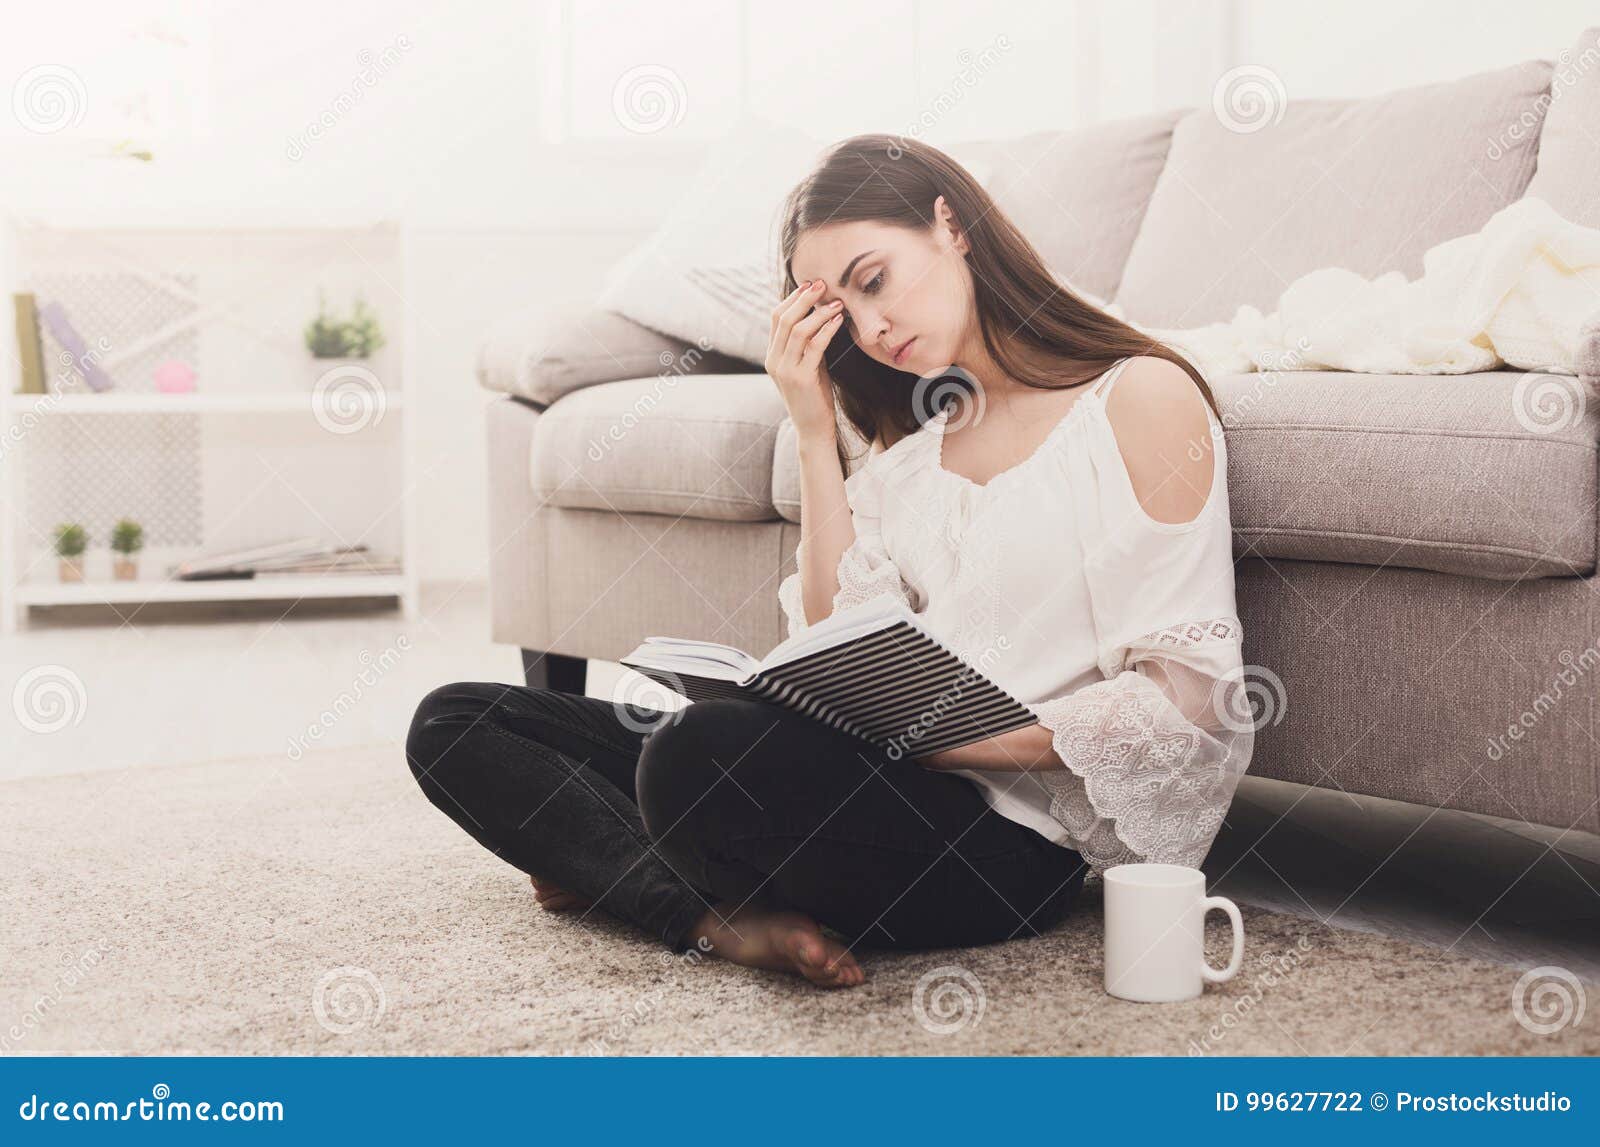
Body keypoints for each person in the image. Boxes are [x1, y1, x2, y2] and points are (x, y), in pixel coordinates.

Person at [406, 134, 1255, 990]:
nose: (872, 327)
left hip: (1007, 850)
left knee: (693, 760)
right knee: (457, 723)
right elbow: (832, 640)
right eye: (842, 310)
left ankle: (622, 861)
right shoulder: (908, 452)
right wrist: (814, 427)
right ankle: (715, 918)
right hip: (863, 783)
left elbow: (1193, 698)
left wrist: (954, 747)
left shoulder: (1138, 399)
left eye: (874, 279)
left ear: (950, 225)